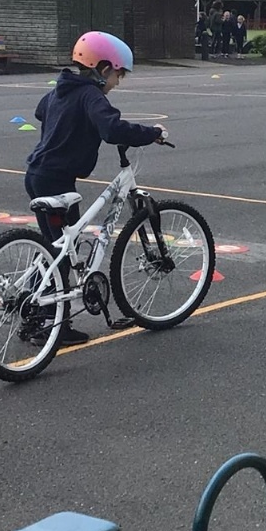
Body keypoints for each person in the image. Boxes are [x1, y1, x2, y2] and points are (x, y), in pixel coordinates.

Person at [24, 32, 167, 343]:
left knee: (56, 246)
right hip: (56, 178)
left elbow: (40, 112)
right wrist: (150, 132)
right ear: (103, 70)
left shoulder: (61, 90)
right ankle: (50, 324)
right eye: (118, 75)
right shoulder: (91, 96)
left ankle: (33, 308)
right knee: (62, 251)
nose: (118, 83)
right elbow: (112, 128)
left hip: (38, 173)